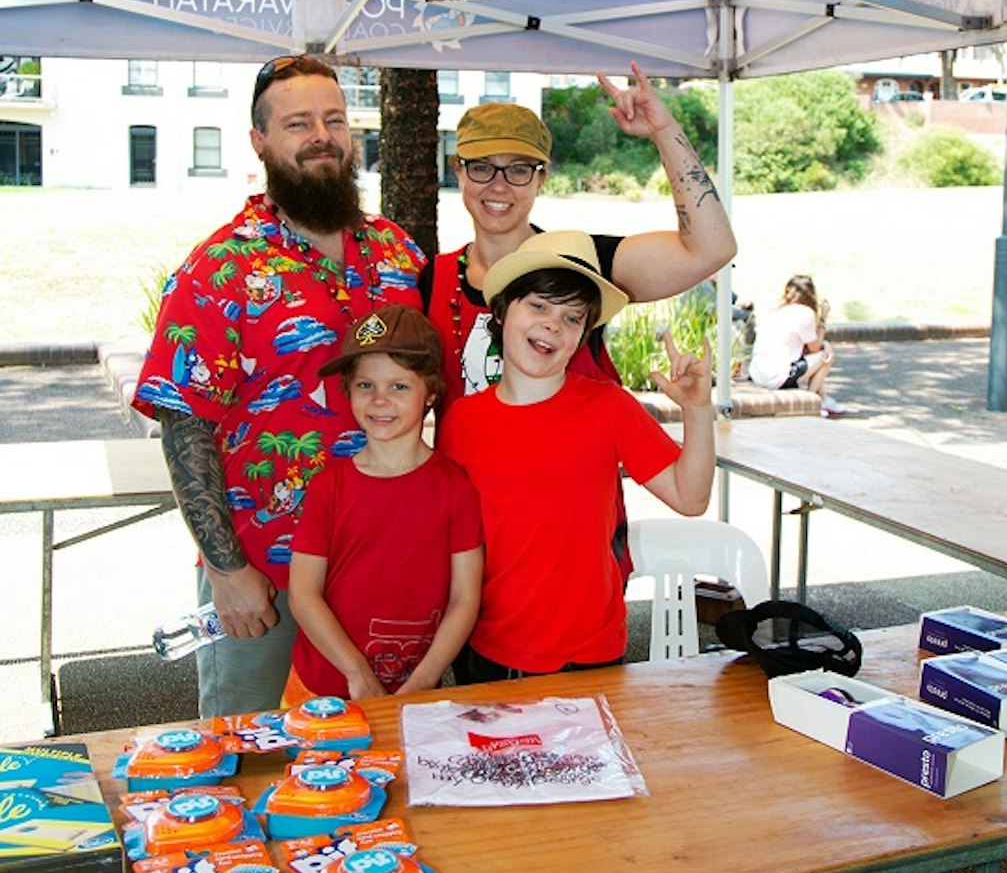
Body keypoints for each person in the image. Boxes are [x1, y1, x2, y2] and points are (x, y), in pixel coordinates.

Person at [438, 230, 715, 873]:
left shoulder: (604, 408)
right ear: (500, 315)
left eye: (570, 315)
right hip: (488, 665)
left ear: (585, 332)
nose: (551, 327)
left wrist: (697, 410)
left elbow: (688, 494)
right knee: (501, 845)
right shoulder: (463, 420)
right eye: (536, 308)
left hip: (588, 665)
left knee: (581, 861)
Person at [133, 55, 426, 721]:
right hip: (265, 582)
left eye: (334, 119)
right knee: (251, 757)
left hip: (390, 573)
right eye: (298, 123)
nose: (321, 135)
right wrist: (227, 573)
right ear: (259, 141)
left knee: (385, 757)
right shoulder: (219, 269)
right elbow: (185, 425)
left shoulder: (398, 255)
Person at [286, 304, 483, 873]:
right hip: (325, 696)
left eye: (397, 385)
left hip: (416, 700)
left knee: (401, 832)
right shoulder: (332, 482)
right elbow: (305, 593)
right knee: (324, 830)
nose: (378, 401)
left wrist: (423, 679)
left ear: (430, 390)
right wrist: (357, 671)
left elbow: (466, 596)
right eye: (364, 384)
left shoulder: (453, 485)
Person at [423, 62, 736, 417]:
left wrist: (664, 132)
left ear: (541, 179)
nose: (499, 185)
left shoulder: (582, 264)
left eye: (519, 170)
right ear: (458, 171)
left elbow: (712, 249)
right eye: (482, 167)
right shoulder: (434, 279)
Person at [747, 274, 845, 415]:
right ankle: (809, 402)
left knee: (816, 356)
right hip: (776, 377)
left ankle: (823, 397)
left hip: (757, 373)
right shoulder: (805, 313)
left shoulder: (775, 310)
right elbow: (814, 347)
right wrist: (823, 319)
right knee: (826, 356)